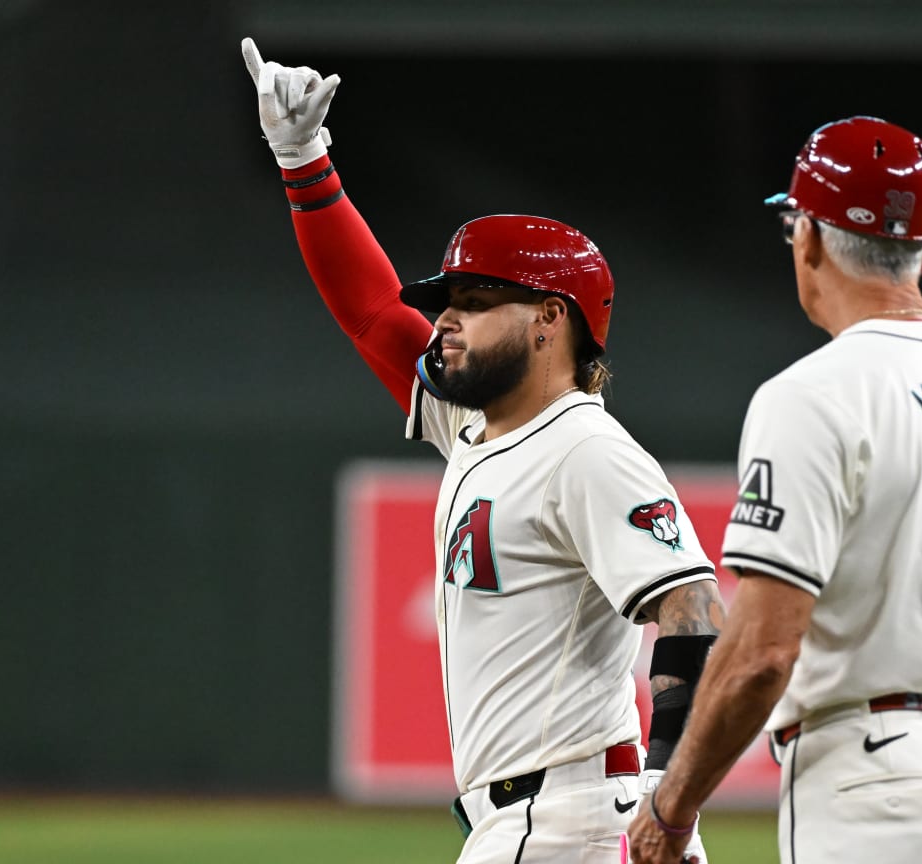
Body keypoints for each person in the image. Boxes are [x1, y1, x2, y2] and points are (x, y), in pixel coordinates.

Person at [239, 41, 726, 864]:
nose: (447, 319)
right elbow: (372, 312)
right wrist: (303, 160)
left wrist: (665, 794)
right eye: (449, 300)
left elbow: (696, 611)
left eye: (476, 300)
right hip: (535, 817)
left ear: (550, 319)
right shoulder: (475, 427)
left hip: (576, 820)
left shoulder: (584, 447)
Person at [626, 116, 922, 864]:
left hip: (871, 776)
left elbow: (763, 652)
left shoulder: (812, 395)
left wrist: (671, 805)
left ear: (808, 239)